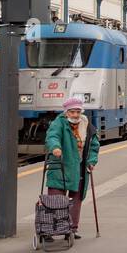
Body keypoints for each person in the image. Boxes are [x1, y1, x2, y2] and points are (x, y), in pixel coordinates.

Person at [45, 98, 99, 238]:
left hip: (80, 168)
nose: (75, 115)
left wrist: (91, 161)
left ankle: (71, 229)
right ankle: (49, 229)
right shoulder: (59, 123)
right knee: (55, 199)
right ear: (66, 112)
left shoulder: (87, 126)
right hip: (61, 166)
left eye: (78, 112)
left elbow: (94, 146)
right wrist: (55, 147)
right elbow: (52, 136)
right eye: (72, 112)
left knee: (76, 200)